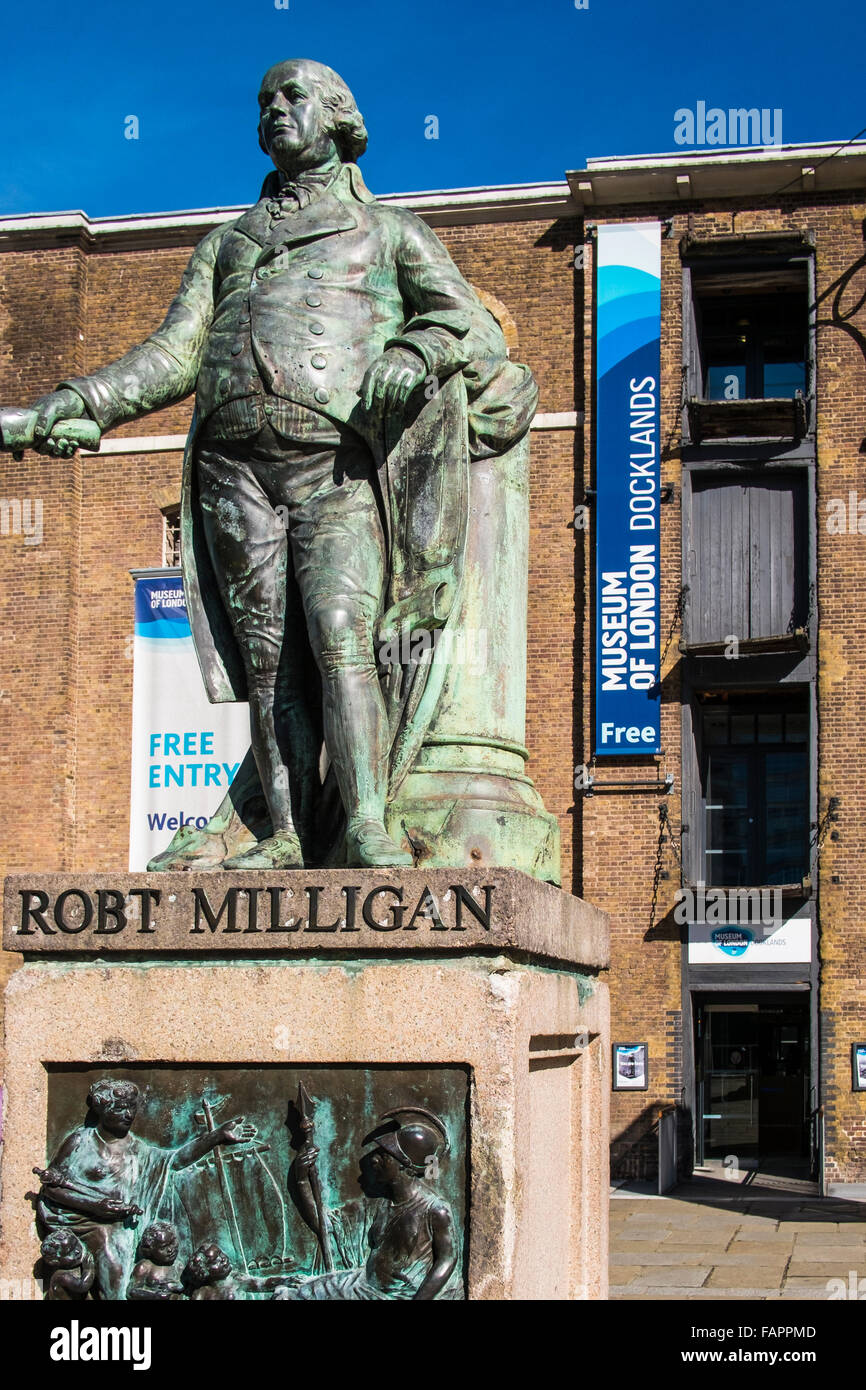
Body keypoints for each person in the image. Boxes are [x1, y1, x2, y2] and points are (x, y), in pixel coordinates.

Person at [9, 58, 535, 871]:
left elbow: (473, 328)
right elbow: (172, 354)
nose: (274, 111)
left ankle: (364, 822)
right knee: (267, 661)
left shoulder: (388, 232)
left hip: (335, 464)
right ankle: (285, 832)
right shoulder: (228, 244)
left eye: (293, 97)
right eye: (264, 102)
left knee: (340, 638)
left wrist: (416, 346)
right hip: (232, 471)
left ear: (338, 117)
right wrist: (75, 402)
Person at [35, 1079, 254, 1300]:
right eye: (119, 1108)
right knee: (115, 1278)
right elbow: (53, 1188)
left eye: (131, 1107)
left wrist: (217, 1136)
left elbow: (174, 1160)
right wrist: (96, 1206)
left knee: (124, 1267)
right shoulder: (80, 1142)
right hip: (84, 1222)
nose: (128, 1114)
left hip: (122, 1225)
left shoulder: (137, 1151)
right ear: (101, 1109)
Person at [279, 1106, 463, 1300]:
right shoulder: (378, 1205)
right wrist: (301, 1180)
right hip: (361, 1285)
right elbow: (325, 1226)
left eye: (384, 1155)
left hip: (397, 1295)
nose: (374, 1160)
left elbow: (447, 1259)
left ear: (404, 1163)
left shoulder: (435, 1210)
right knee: (296, 1294)